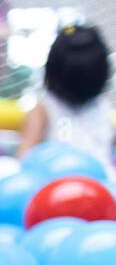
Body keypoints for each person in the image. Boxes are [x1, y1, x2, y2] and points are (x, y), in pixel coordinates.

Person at [18, 25, 114, 176]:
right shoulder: (43, 109)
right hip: (61, 187)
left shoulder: (102, 106)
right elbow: (25, 161)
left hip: (102, 187)